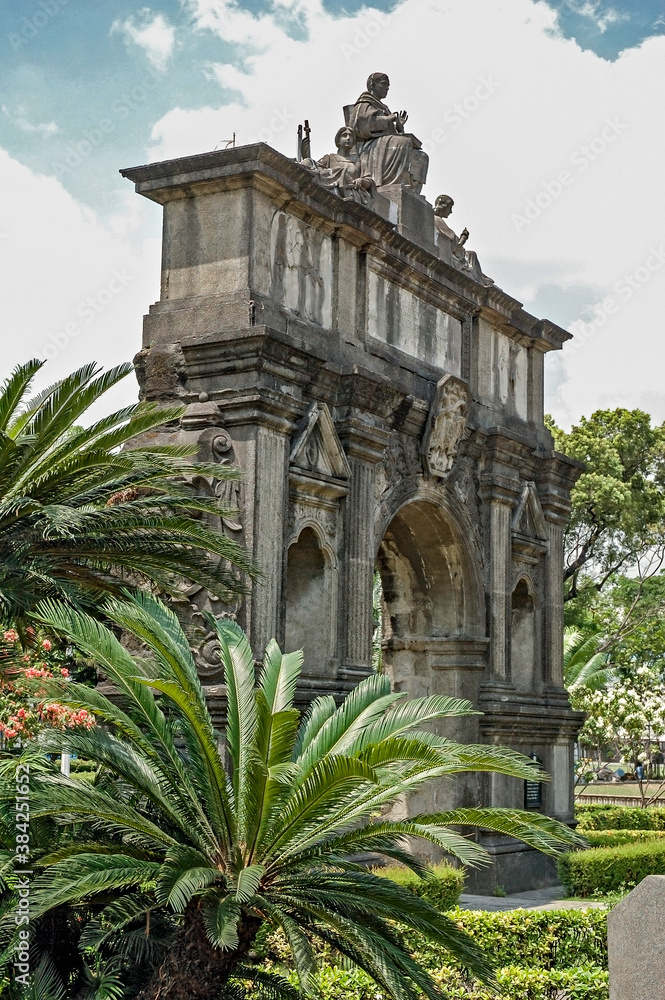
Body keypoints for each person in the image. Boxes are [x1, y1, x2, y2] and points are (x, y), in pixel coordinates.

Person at [344, 73, 428, 193]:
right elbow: (360, 125)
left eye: (388, 85)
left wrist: (399, 128)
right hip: (368, 144)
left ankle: (412, 191)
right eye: (383, 84)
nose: (387, 88)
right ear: (372, 85)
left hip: (384, 142)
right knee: (402, 143)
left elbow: (390, 132)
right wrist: (387, 119)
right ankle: (396, 183)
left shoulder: (384, 107)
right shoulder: (364, 103)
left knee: (422, 157)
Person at [302, 126, 375, 207]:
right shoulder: (330, 158)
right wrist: (306, 155)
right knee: (307, 162)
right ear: (338, 141)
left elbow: (369, 181)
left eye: (350, 136)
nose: (348, 138)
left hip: (349, 190)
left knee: (339, 171)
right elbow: (317, 171)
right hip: (332, 185)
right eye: (344, 135)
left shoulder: (359, 162)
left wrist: (361, 180)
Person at [434, 194, 494, 287]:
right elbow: (455, 247)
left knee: (470, 255)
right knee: (472, 255)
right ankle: (481, 281)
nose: (451, 211)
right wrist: (464, 237)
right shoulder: (437, 220)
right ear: (444, 207)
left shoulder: (436, 220)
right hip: (454, 256)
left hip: (454, 253)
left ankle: (482, 279)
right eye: (450, 208)